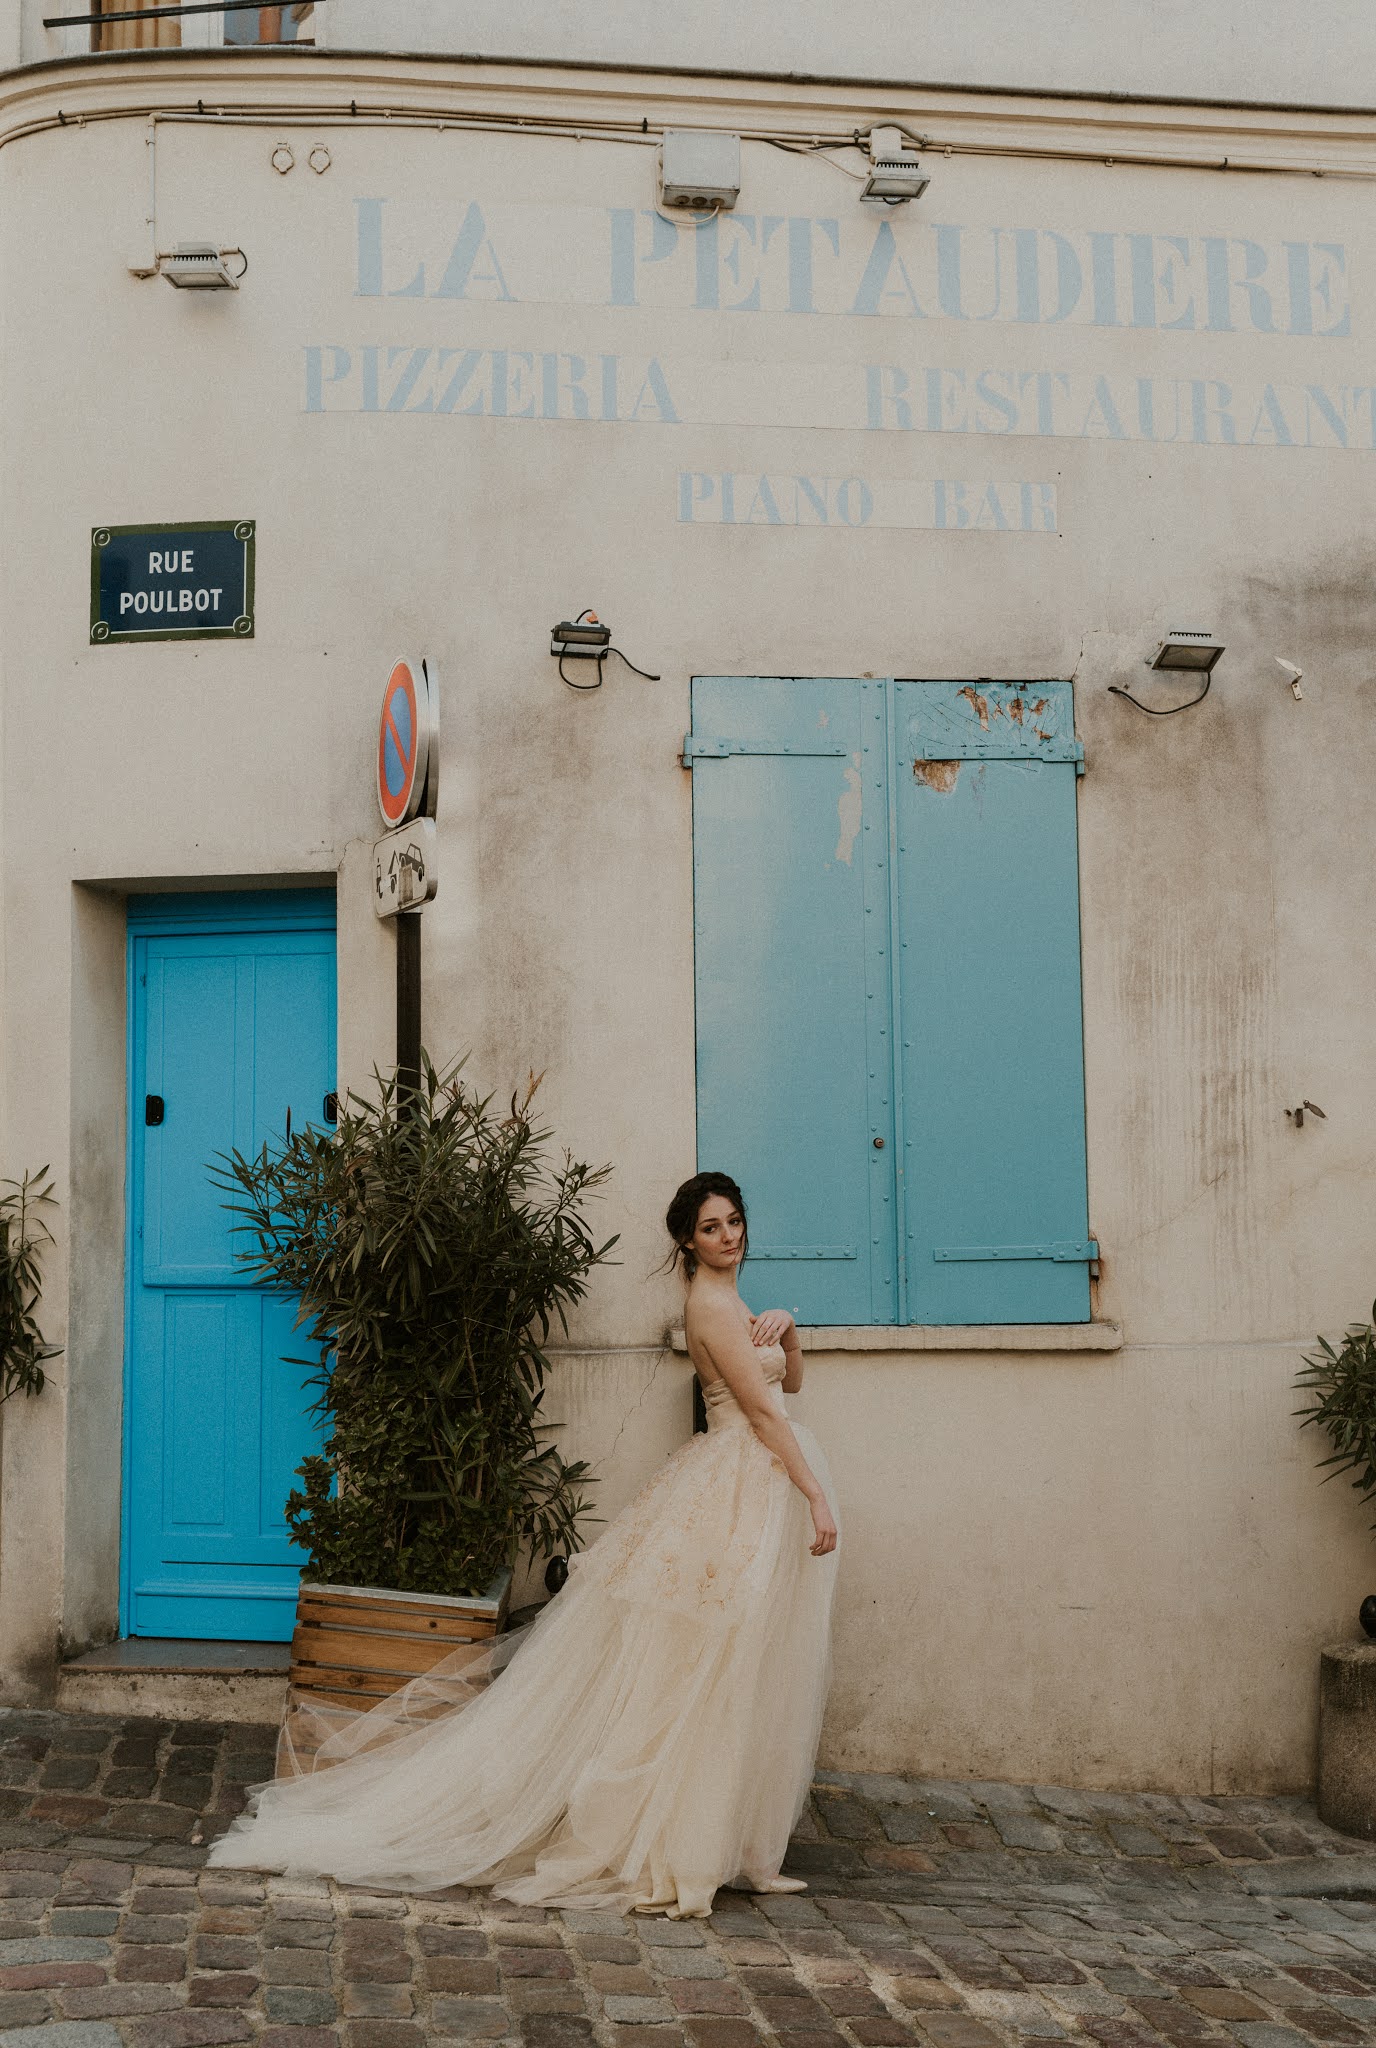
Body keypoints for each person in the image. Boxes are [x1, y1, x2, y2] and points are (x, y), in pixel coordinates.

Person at [208, 1171, 840, 1919]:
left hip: (746, 1486)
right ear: (686, 1240)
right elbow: (766, 1418)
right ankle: (682, 1844)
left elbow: (789, 1382)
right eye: (711, 1227)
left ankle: (746, 1851)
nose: (729, 1236)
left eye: (734, 1221)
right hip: (739, 1482)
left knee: (744, 1666)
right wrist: (816, 1495)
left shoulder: (735, 1301)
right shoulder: (708, 1305)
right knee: (698, 1673)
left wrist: (788, 1328)